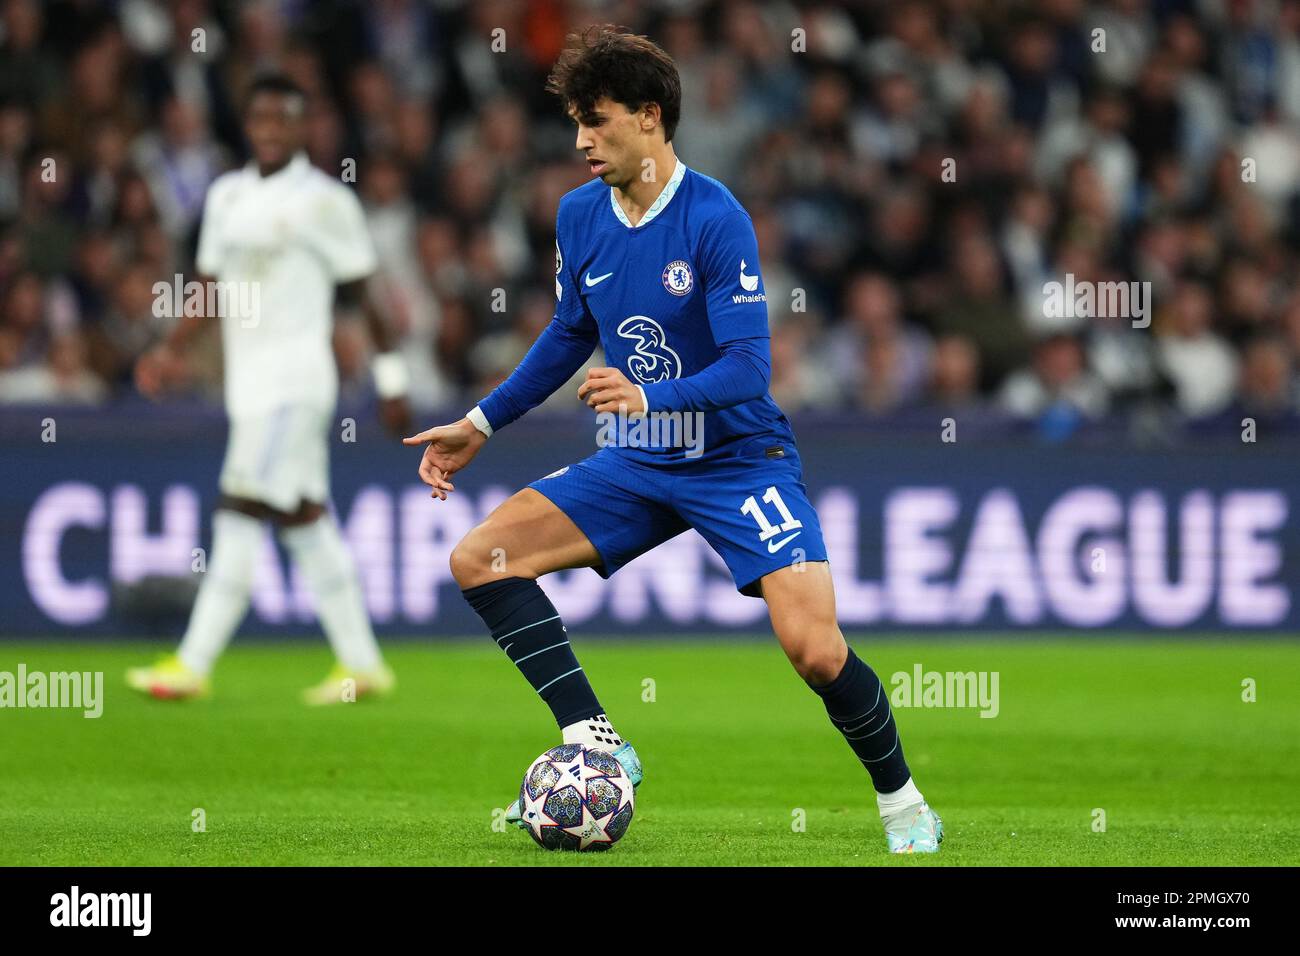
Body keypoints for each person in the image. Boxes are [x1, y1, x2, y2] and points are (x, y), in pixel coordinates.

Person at [404, 27, 942, 853]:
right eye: (577, 124)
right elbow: (565, 334)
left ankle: (903, 800)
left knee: (815, 651)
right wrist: (480, 423)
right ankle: (593, 735)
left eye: (598, 120)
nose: (582, 140)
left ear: (650, 117)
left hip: (737, 458)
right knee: (481, 558)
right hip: (642, 457)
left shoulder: (715, 218)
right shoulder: (579, 213)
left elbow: (750, 368)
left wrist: (648, 392)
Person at [127, 74, 411, 705]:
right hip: (247, 389)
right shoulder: (225, 196)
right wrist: (169, 351)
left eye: (283, 118)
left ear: (304, 126)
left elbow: (368, 296)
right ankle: (362, 664)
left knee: (239, 505)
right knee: (303, 516)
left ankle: (192, 664)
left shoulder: (325, 202)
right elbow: (207, 286)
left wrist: (392, 380)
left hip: (296, 382)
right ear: (247, 123)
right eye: (260, 118)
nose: (270, 129)